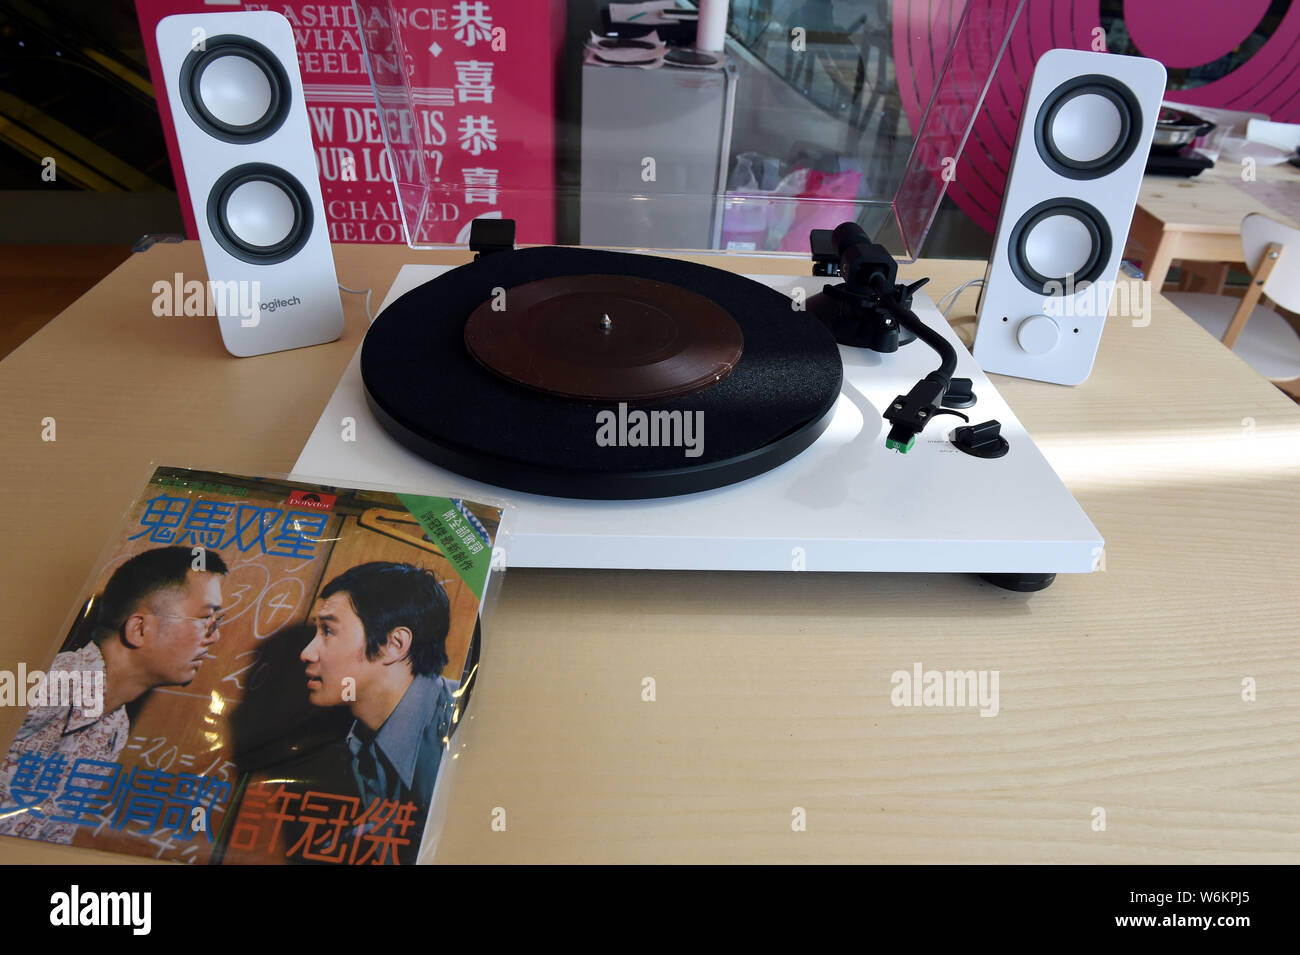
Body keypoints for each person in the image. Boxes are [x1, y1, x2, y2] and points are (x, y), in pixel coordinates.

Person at [0, 545, 227, 844]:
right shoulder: (48, 684)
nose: (215, 636)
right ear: (139, 629)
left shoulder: (115, 727)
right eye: (204, 620)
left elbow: (52, 835)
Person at [299, 561, 456, 863]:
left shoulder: (463, 727)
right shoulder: (360, 743)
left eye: (328, 631)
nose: (307, 652)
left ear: (393, 645)